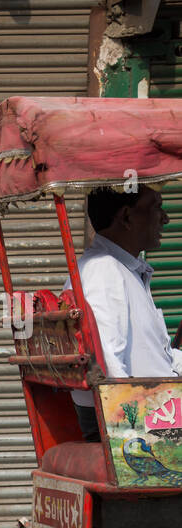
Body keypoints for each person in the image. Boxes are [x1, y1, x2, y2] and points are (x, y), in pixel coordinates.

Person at [71, 186, 180, 441]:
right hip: (142, 422)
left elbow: (155, 355)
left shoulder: (123, 269)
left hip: (156, 409)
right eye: (156, 207)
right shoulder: (104, 271)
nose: (165, 218)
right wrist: (130, 435)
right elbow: (107, 362)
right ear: (127, 217)